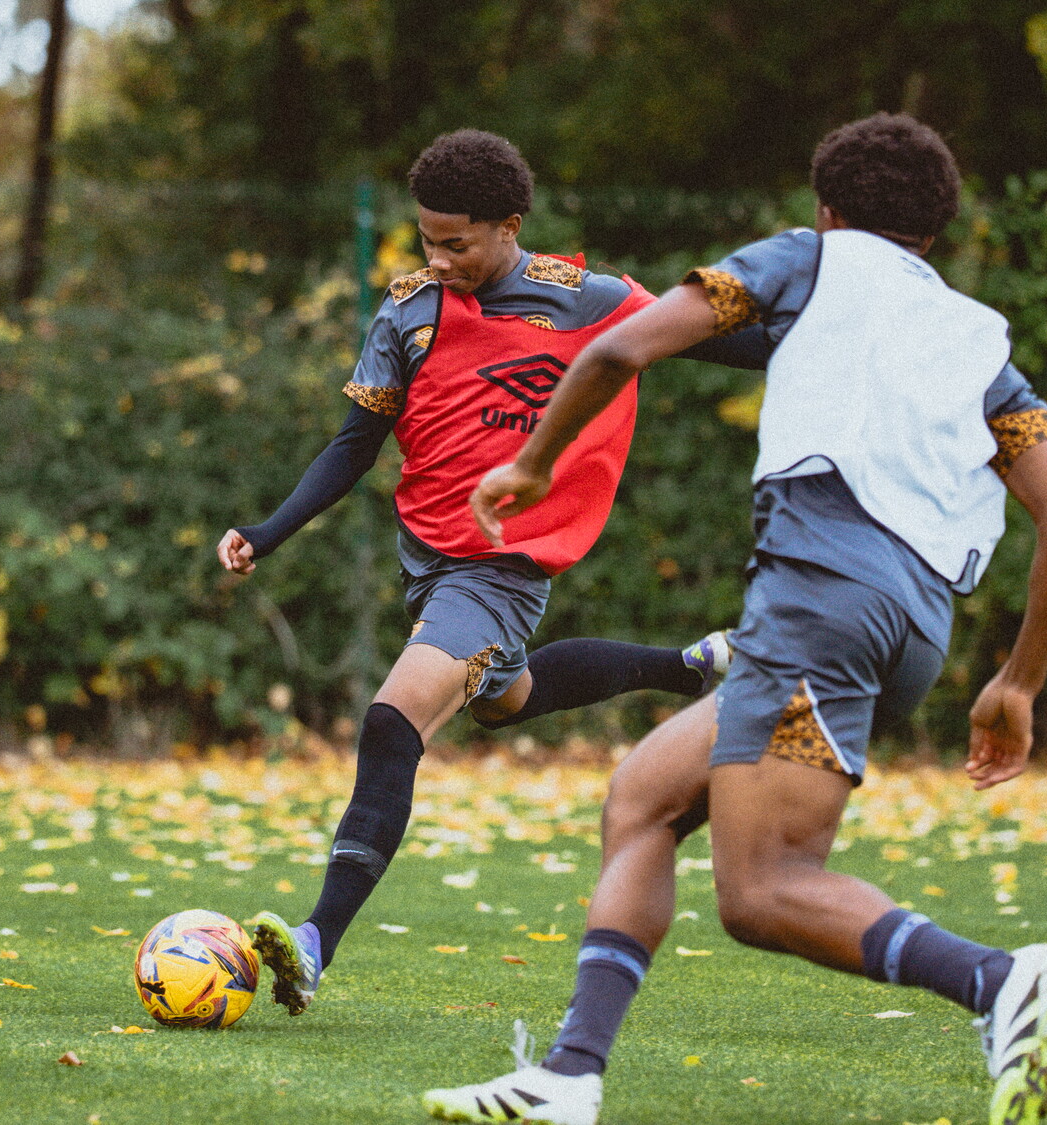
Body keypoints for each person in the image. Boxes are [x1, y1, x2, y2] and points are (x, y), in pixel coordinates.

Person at [424, 113, 1047, 1125]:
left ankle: (996, 981)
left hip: (818, 603)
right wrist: (1017, 683)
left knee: (762, 889)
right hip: (906, 630)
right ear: (933, 231)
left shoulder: (803, 259)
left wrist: (529, 463)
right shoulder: (972, 343)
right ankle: (567, 1077)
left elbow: (618, 348)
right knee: (643, 798)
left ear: (824, 208)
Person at [218, 130, 730, 1017]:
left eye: (458, 242)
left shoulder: (589, 301)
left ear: (509, 226)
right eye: (427, 240)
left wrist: (820, 347)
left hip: (500, 563)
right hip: (431, 558)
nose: (439, 258)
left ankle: (313, 941)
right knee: (505, 698)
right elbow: (355, 444)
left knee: (392, 719)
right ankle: (685, 667)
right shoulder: (408, 310)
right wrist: (268, 530)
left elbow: (711, 333)